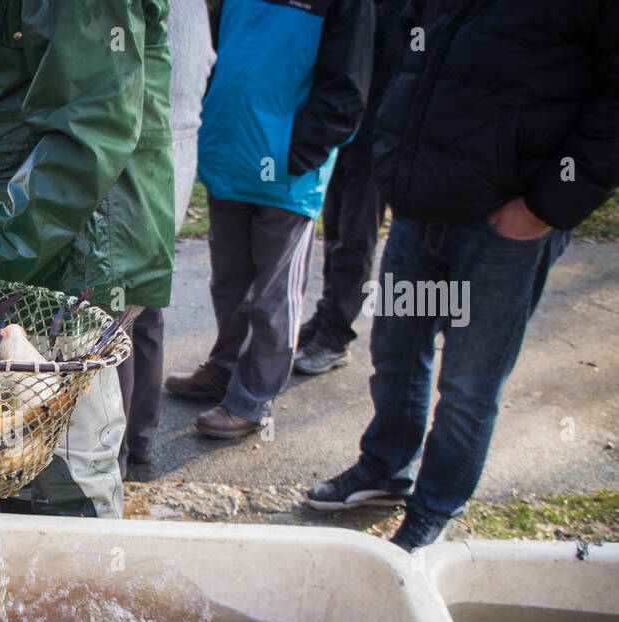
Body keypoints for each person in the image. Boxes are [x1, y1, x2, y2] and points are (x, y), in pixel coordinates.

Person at [307, 0, 619, 551]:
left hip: (508, 226)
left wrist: (547, 205)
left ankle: (433, 507)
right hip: (420, 208)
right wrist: (392, 158)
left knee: (469, 387)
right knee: (397, 356)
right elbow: (409, 48)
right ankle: (384, 469)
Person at [0, 0, 175, 519]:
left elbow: (92, 125)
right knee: (11, 459)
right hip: (28, 236)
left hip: (76, 248)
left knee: (66, 474)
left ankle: (78, 579)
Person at [164, 0, 373, 439]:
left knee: (273, 297)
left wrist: (291, 154)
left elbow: (347, 93)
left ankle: (252, 399)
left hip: (286, 174)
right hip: (228, 155)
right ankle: (224, 371)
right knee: (228, 282)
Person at [117, 0, 214, 474]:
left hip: (140, 156)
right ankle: (140, 441)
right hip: (176, 152)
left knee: (115, 315)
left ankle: (114, 449)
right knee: (145, 306)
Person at [293, 0, 406, 376]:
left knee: (355, 238)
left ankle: (336, 335)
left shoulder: (406, 11)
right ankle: (328, 315)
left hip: (378, 137)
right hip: (343, 134)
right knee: (337, 231)